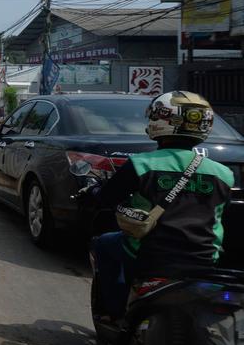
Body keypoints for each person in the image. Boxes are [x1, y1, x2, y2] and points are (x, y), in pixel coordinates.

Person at [89, 91, 235, 320]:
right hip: (205, 258)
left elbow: (106, 198)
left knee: (104, 244)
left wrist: (95, 191)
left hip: (151, 255)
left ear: (160, 121)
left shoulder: (141, 164)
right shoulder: (224, 174)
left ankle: (115, 312)